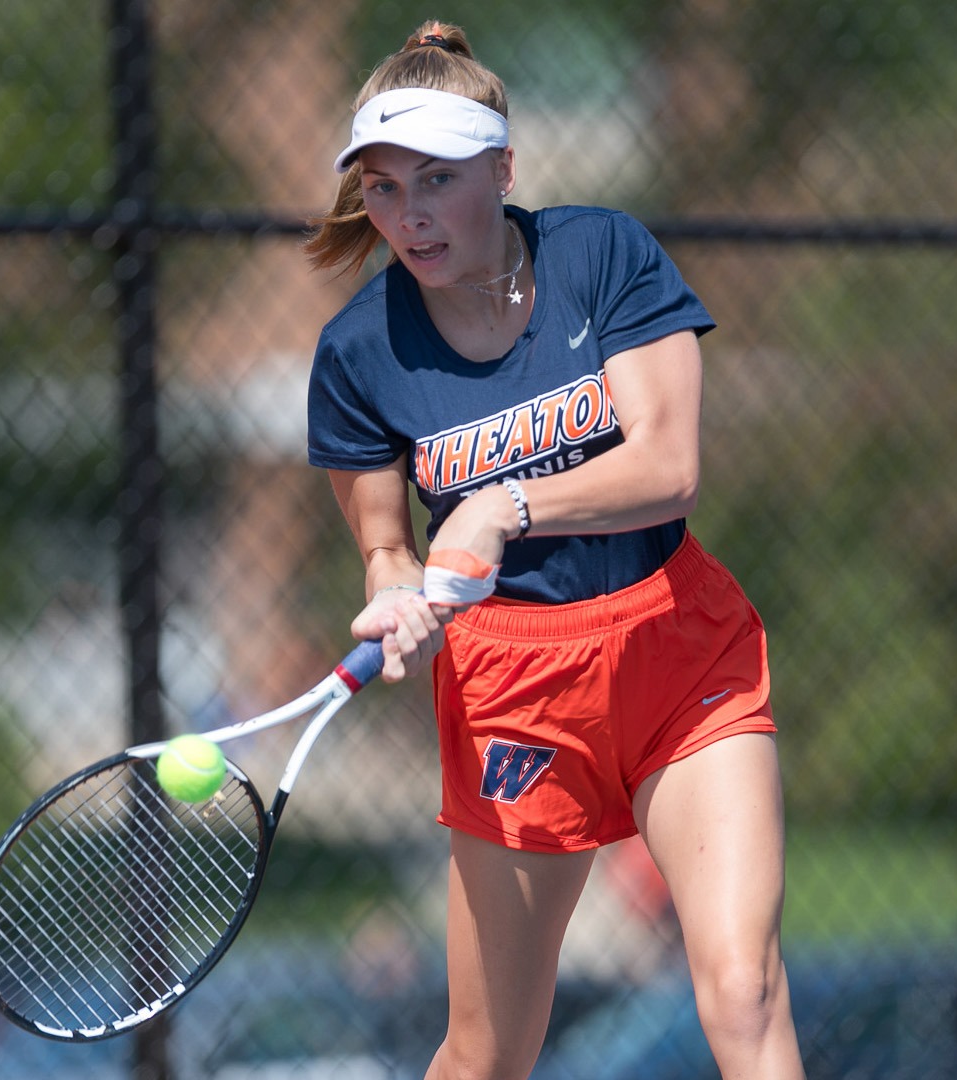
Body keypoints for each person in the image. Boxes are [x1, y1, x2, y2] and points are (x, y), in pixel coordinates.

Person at [302, 20, 805, 1080]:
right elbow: (386, 546)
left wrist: (505, 505)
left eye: (437, 179)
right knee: (490, 1052)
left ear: (504, 168)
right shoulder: (356, 352)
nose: (410, 214)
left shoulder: (601, 254)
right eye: (383, 189)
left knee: (744, 986)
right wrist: (393, 597)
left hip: (678, 647)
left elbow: (668, 466)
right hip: (514, 688)